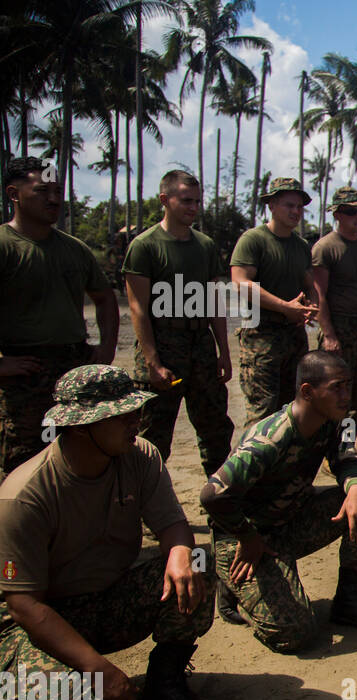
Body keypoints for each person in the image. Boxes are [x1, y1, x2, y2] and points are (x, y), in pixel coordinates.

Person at [0, 365, 221, 700]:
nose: (136, 422)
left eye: (135, 412)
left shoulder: (138, 456)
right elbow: (24, 606)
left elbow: (172, 524)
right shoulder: (24, 496)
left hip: (104, 600)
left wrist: (181, 551)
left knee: (199, 563)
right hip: (39, 622)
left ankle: (164, 684)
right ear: (82, 427)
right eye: (122, 416)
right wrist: (98, 668)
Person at [200, 351, 357, 652]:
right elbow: (212, 495)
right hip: (243, 540)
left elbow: (346, 459)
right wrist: (248, 537)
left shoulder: (333, 421)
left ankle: (349, 599)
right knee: (294, 634)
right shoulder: (271, 438)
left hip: (288, 522)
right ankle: (231, 584)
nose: (346, 395)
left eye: (348, 385)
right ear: (308, 391)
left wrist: (356, 488)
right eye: (337, 387)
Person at [0, 157, 119, 477]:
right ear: (13, 194)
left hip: (73, 366)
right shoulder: (5, 246)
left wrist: (106, 348)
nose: (53, 199)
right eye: (41, 191)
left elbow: (105, 298)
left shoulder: (74, 249)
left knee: (81, 455)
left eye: (57, 191)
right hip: (25, 374)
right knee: (26, 464)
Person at [122, 169, 235, 477]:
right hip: (163, 345)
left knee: (215, 430)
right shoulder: (144, 246)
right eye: (186, 200)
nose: (193, 207)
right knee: (153, 434)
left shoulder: (205, 246)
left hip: (200, 346)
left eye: (197, 201)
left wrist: (223, 353)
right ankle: (142, 507)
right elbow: (138, 308)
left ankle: (220, 507)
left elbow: (215, 302)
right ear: (165, 200)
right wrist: (152, 361)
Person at [230, 177, 318, 426]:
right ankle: (257, 464)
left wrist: (310, 306)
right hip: (261, 336)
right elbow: (241, 282)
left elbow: (309, 285)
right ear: (272, 205)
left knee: (295, 407)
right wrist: (284, 307)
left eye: (300, 207)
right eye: (289, 206)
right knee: (263, 413)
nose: (296, 212)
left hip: (294, 337)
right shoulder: (253, 239)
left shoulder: (301, 246)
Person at [311, 185, 357, 422]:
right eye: (349, 212)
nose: (356, 217)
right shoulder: (325, 248)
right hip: (339, 327)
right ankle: (337, 448)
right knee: (337, 393)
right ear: (336, 214)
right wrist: (329, 334)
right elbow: (318, 294)